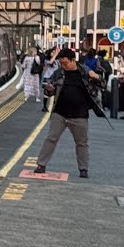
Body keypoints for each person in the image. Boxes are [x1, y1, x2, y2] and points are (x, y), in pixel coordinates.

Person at [35, 48, 105, 178]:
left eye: (65, 63)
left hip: (79, 115)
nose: (63, 66)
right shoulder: (59, 73)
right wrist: (49, 90)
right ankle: (41, 164)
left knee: (81, 143)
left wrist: (96, 77)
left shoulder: (85, 71)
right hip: (60, 113)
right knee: (51, 138)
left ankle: (83, 169)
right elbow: (49, 91)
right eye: (61, 63)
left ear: (73, 60)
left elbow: (103, 84)